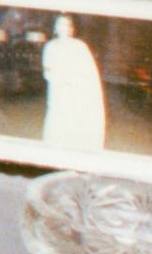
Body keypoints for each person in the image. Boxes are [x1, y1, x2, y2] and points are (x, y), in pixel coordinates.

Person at [40, 13, 107, 152]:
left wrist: (74, 83)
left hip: (75, 91)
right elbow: (47, 70)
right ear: (55, 27)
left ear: (71, 28)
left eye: (66, 24)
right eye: (59, 24)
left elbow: (88, 72)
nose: (62, 27)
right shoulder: (50, 46)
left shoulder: (80, 46)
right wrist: (57, 78)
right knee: (57, 122)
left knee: (74, 123)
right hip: (57, 91)